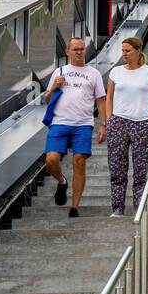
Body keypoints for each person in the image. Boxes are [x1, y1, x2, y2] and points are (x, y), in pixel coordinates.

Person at [40, 37, 106, 219]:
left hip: (83, 124)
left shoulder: (94, 74)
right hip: (60, 122)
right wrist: (53, 87)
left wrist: (103, 124)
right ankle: (62, 182)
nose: (79, 52)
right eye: (75, 49)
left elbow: (101, 100)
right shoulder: (59, 71)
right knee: (51, 160)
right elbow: (46, 100)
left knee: (79, 161)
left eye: (82, 49)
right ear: (67, 52)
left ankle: (74, 207)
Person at [101, 36, 148, 217]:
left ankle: (139, 207)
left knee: (141, 167)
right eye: (123, 50)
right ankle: (117, 208)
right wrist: (109, 119)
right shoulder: (116, 72)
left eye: (127, 50)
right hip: (118, 121)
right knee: (117, 166)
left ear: (137, 51)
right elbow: (108, 97)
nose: (124, 54)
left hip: (142, 123)